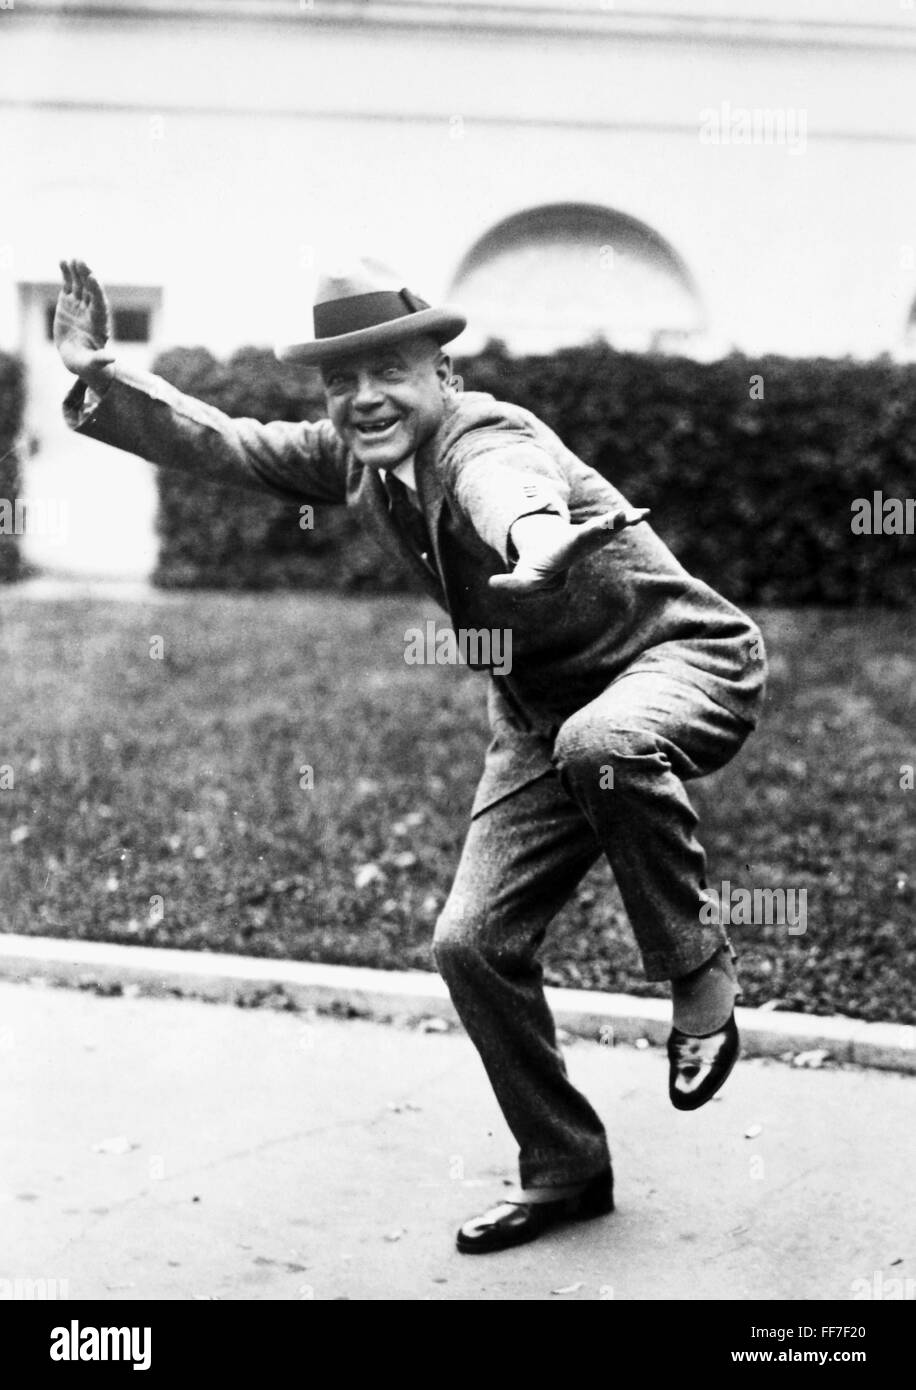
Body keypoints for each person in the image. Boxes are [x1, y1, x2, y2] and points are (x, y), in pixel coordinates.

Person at [54, 255, 767, 1254]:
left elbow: (503, 483)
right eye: (338, 380)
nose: (360, 397)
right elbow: (229, 441)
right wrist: (105, 375)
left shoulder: (484, 432)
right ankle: (564, 1167)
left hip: (676, 662)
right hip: (541, 709)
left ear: (440, 366)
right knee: (470, 943)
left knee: (601, 741)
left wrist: (532, 535)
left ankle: (696, 972)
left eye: (384, 368)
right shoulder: (358, 453)